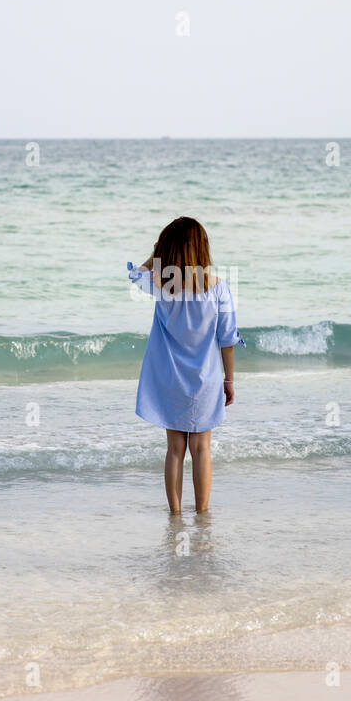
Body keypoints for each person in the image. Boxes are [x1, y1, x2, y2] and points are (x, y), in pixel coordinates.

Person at [127, 217, 244, 513]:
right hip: (206, 380)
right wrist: (229, 380)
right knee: (202, 449)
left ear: (167, 250)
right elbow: (227, 338)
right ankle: (202, 513)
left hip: (171, 380)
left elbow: (136, 275)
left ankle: (176, 514)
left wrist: (154, 256)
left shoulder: (163, 289)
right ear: (203, 249)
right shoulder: (219, 289)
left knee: (175, 450)